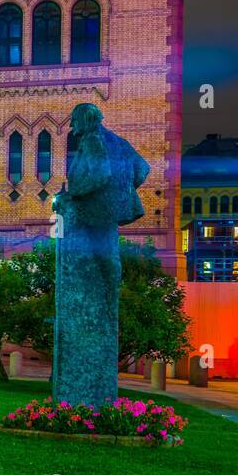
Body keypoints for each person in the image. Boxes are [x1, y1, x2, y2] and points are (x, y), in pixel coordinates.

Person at [52, 103, 150, 406]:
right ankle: (108, 286)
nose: (72, 127)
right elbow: (142, 169)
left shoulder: (93, 139)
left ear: (85, 120)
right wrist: (122, 195)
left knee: (91, 261)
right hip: (106, 213)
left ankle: (105, 289)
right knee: (107, 257)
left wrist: (74, 194)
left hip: (91, 212)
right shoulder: (119, 141)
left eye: (75, 121)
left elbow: (100, 173)